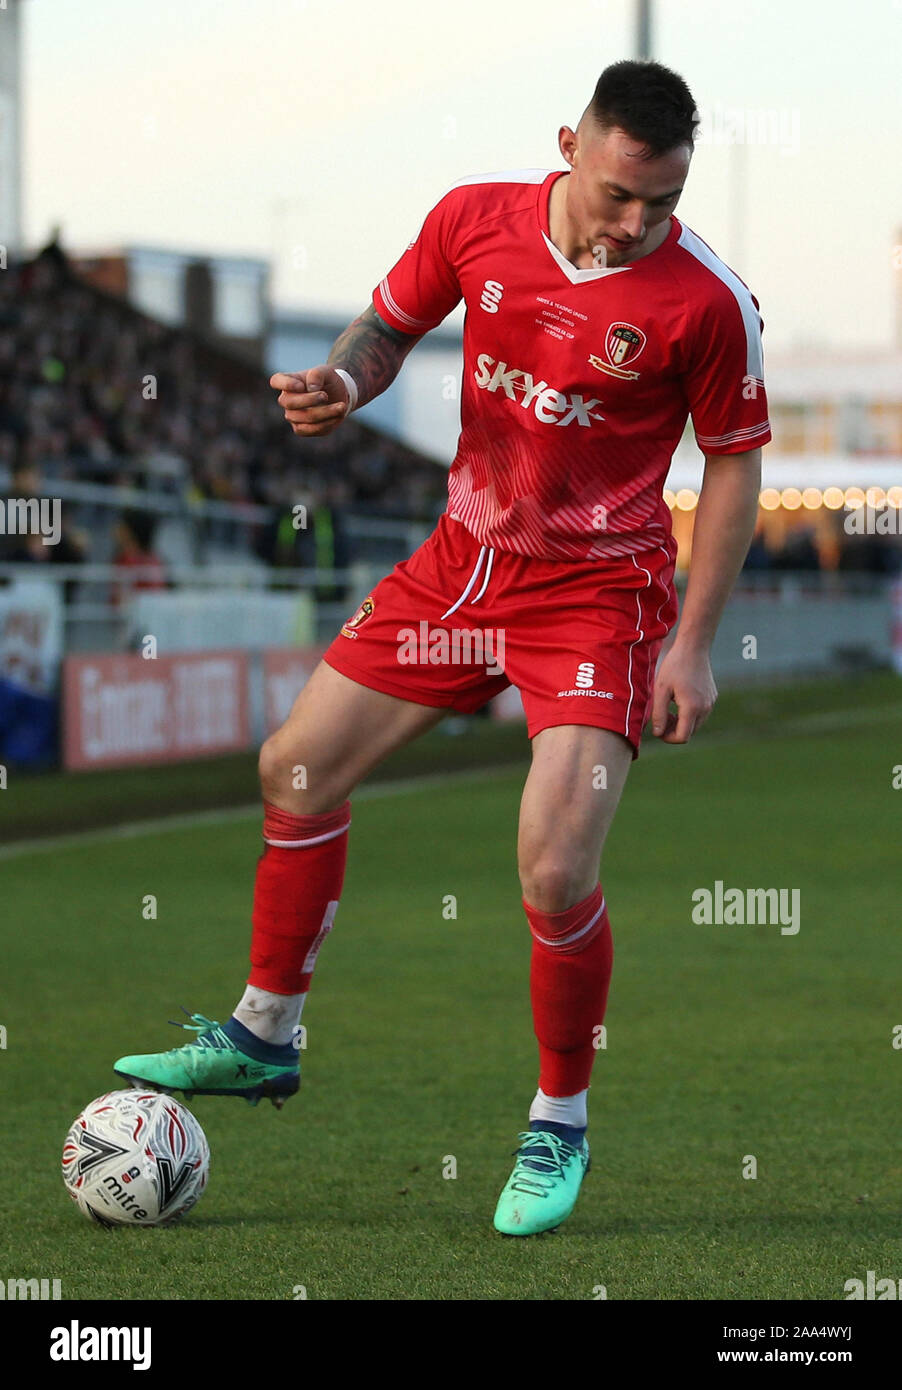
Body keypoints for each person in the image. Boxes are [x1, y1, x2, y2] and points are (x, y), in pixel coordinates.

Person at [114, 60, 771, 1237]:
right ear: (567, 143)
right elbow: (387, 329)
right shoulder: (474, 217)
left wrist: (692, 642)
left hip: (596, 595)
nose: (634, 225)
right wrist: (341, 383)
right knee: (294, 767)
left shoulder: (706, 302)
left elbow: (733, 464)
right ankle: (265, 1032)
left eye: (658, 205)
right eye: (618, 195)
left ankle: (556, 1118)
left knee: (551, 868)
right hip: (458, 567)